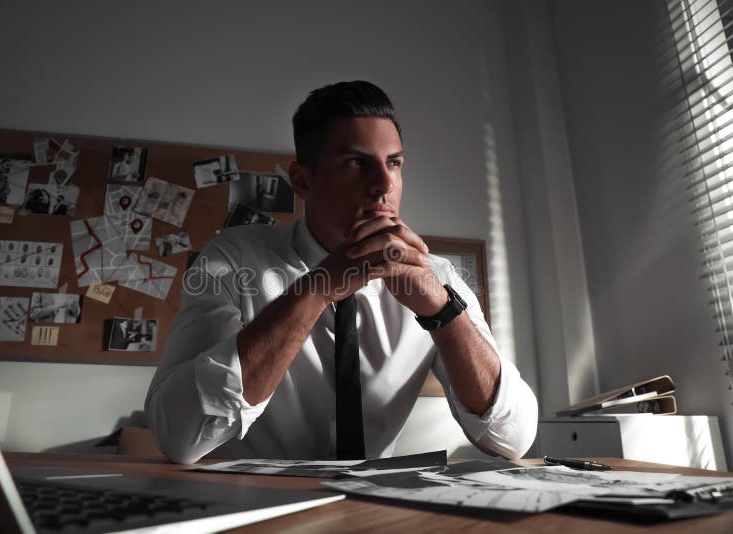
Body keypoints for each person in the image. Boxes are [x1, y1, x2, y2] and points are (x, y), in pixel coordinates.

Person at [146, 81, 538, 464]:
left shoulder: (438, 277)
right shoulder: (232, 261)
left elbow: (512, 439)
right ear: (303, 180)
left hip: (374, 511)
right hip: (249, 509)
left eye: (394, 163)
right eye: (357, 163)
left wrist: (443, 311)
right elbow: (180, 439)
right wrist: (317, 289)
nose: (384, 184)